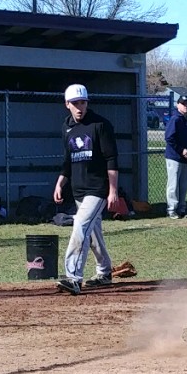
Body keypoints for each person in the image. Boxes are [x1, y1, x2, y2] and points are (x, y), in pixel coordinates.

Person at [54, 83, 119, 295]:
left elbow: (111, 159)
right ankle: (105, 272)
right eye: (75, 103)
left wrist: (113, 191)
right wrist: (60, 183)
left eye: (83, 102)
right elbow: (68, 160)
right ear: (67, 105)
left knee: (80, 225)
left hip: (97, 189)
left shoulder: (100, 124)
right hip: (78, 189)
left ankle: (73, 277)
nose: (79, 107)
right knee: (92, 234)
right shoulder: (67, 127)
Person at [164, 93, 187, 220]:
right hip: (174, 156)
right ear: (178, 105)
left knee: (184, 184)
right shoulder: (175, 119)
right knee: (173, 184)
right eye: (183, 104)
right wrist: (181, 150)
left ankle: (181, 209)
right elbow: (169, 138)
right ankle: (171, 209)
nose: (185, 106)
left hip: (186, 157)